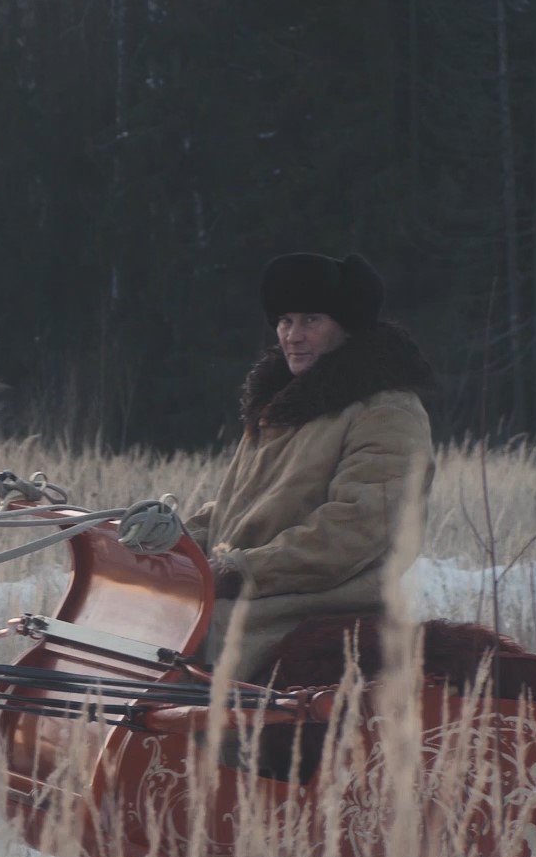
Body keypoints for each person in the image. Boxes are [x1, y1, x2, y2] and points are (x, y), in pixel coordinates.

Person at [183, 252, 436, 680]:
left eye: (311, 320)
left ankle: (219, 747)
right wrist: (178, 542)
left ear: (347, 327)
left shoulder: (388, 412)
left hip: (311, 608)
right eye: (284, 321)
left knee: (200, 651)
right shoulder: (282, 409)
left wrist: (245, 571)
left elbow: (356, 529)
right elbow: (238, 510)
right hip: (252, 598)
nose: (292, 336)